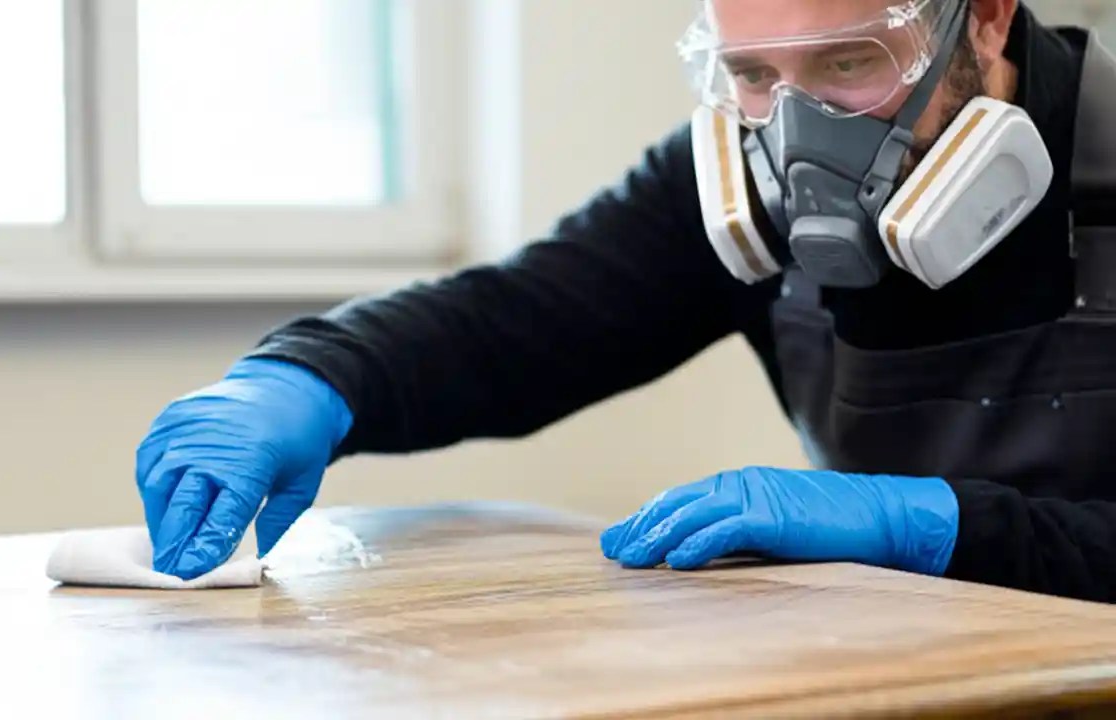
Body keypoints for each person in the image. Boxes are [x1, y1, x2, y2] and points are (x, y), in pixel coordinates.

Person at [136, 0, 1116, 602]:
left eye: (847, 62)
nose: (795, 129)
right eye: (751, 75)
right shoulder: (744, 182)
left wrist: (931, 524)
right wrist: (303, 379)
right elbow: (518, 322)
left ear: (986, 14)